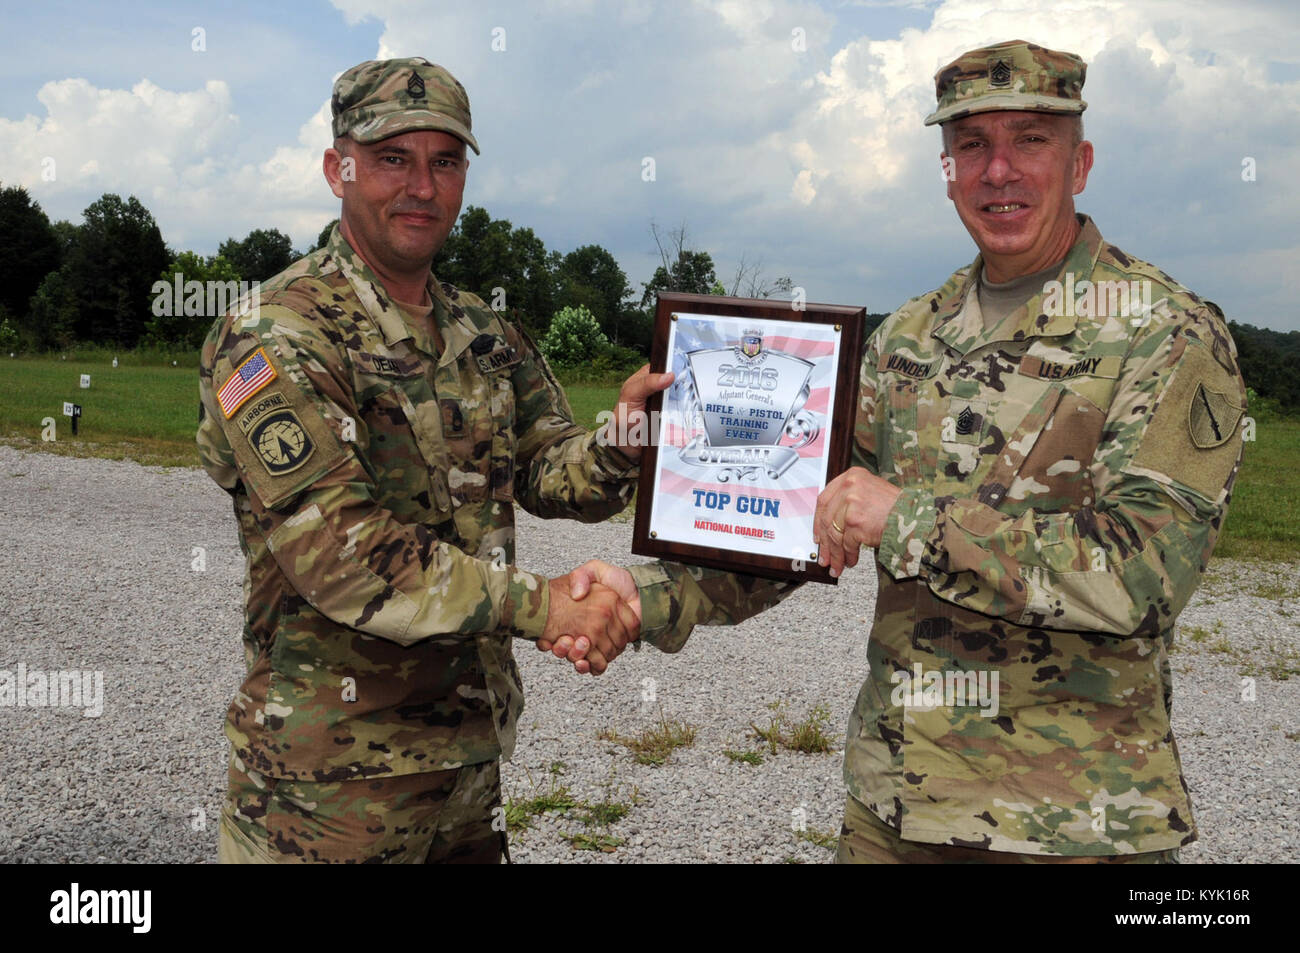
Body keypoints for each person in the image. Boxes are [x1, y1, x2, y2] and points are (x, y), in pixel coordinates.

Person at [551, 39, 1247, 863]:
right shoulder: (909, 337)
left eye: (1030, 139)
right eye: (971, 145)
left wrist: (906, 518)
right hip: (895, 805)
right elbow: (793, 524)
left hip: (1071, 822)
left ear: (1080, 161)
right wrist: (641, 595)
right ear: (947, 168)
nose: (999, 171)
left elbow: (1145, 575)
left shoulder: (1164, 333)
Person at [197, 56, 669, 864]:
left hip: (464, 774)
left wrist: (624, 439)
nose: (422, 186)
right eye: (393, 159)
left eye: (444, 161)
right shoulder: (274, 333)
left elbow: (548, 469)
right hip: (328, 793)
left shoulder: (482, 331)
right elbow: (341, 549)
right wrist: (549, 605)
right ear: (335, 169)